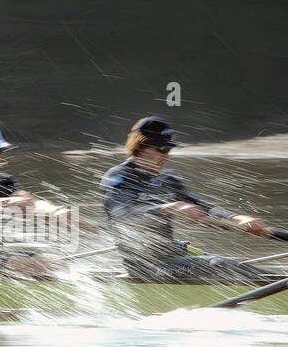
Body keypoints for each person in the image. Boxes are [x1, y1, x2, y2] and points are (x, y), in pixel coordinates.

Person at [100, 115, 272, 280]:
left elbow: (202, 207)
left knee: (239, 266)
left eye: (169, 150)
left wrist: (236, 218)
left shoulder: (168, 179)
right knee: (219, 265)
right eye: (162, 149)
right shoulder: (119, 178)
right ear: (140, 147)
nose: (166, 156)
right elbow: (123, 216)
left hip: (173, 257)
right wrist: (167, 208)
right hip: (145, 266)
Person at [0, 124, 90, 276]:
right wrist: (10, 203)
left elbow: (33, 205)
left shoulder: (4, 181)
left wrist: (57, 213)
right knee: (40, 267)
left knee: (59, 265)